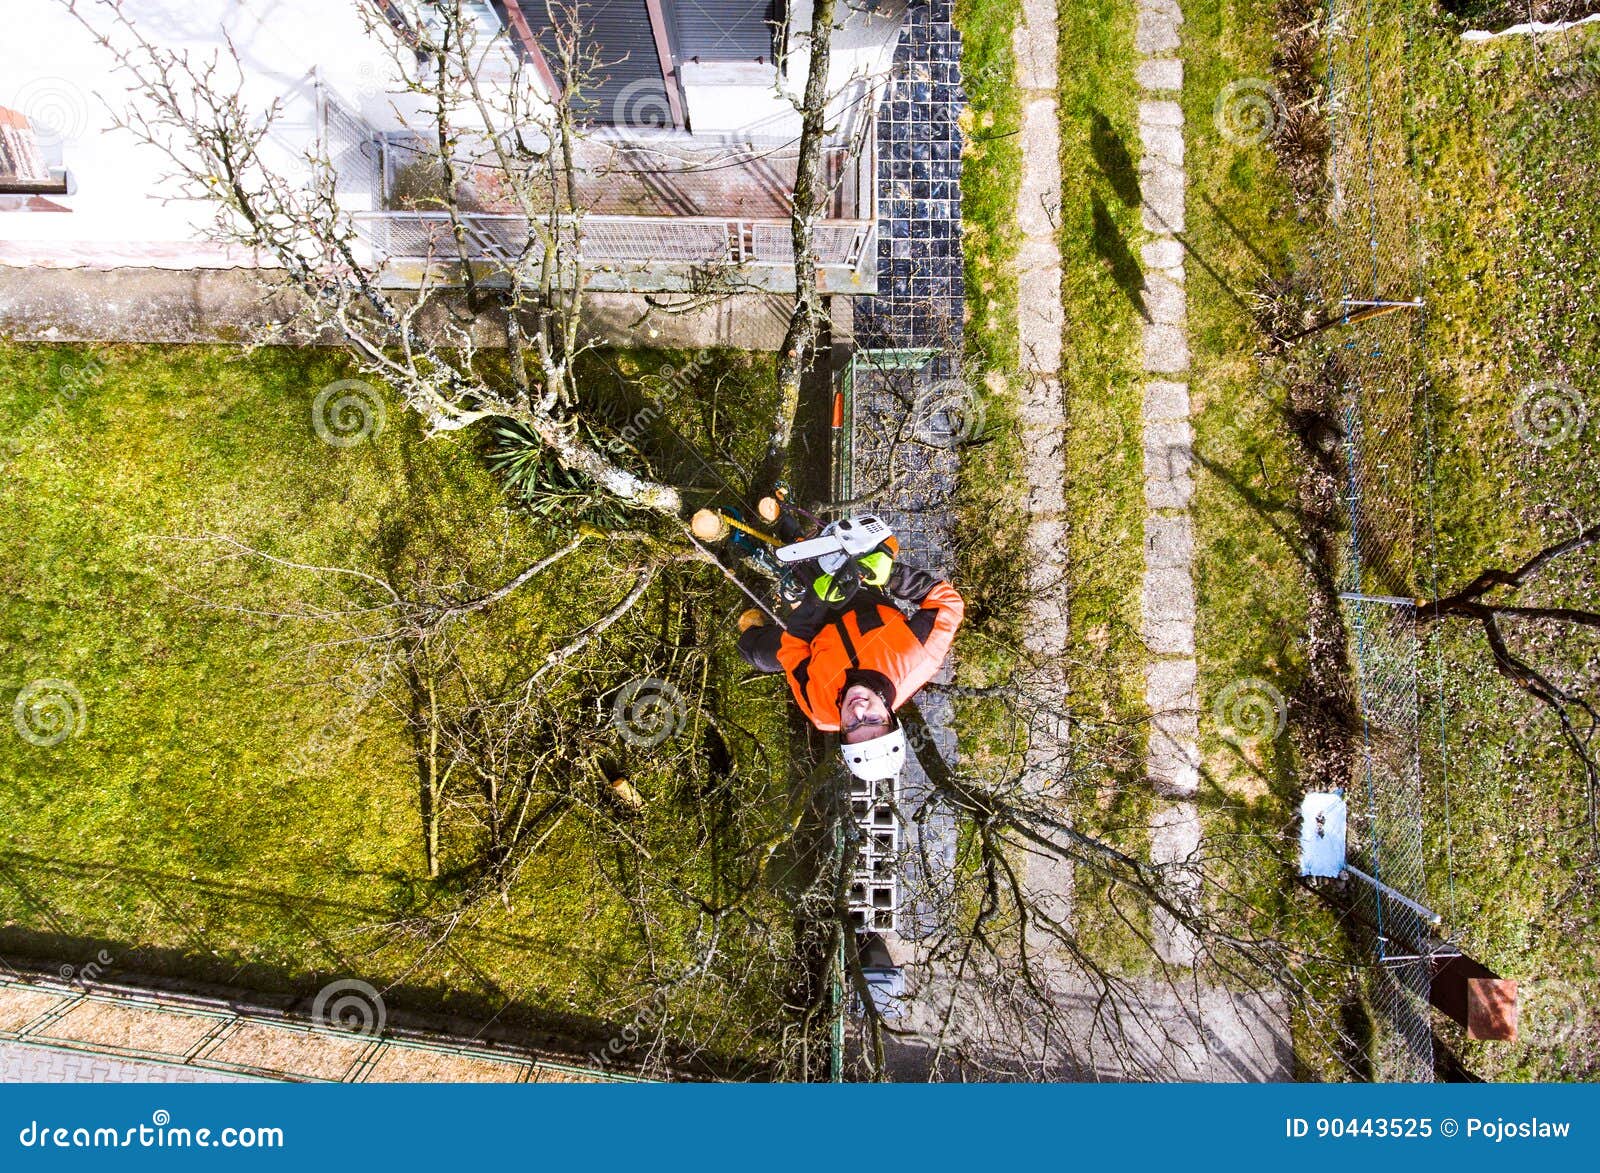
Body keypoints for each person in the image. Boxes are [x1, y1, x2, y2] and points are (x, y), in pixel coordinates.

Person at [737, 558, 964, 781]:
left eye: (852, 725)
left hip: (815, 629)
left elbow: (793, 649)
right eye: (873, 720)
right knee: (803, 551)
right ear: (890, 716)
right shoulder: (915, 659)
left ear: (842, 731)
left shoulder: (820, 710)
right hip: (861, 596)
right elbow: (947, 604)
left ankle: (749, 586)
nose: (857, 711)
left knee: (753, 652)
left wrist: (815, 602)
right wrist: (890, 574)